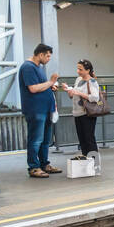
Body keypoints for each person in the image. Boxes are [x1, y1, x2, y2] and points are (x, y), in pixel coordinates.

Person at [19, 43, 60, 178]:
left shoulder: (38, 67)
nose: (48, 59)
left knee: (45, 140)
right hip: (35, 109)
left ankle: (44, 163)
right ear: (40, 54)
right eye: (47, 56)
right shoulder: (28, 67)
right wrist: (50, 82)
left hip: (45, 109)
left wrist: (49, 87)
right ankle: (33, 166)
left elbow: (40, 86)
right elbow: (33, 88)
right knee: (36, 139)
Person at [61, 59, 101, 158]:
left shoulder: (92, 81)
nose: (78, 71)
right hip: (77, 113)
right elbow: (73, 95)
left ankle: (94, 163)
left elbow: (95, 97)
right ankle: (86, 161)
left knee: (89, 138)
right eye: (78, 69)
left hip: (87, 113)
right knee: (82, 139)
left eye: (80, 69)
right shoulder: (78, 79)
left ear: (87, 70)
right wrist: (69, 90)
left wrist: (78, 93)